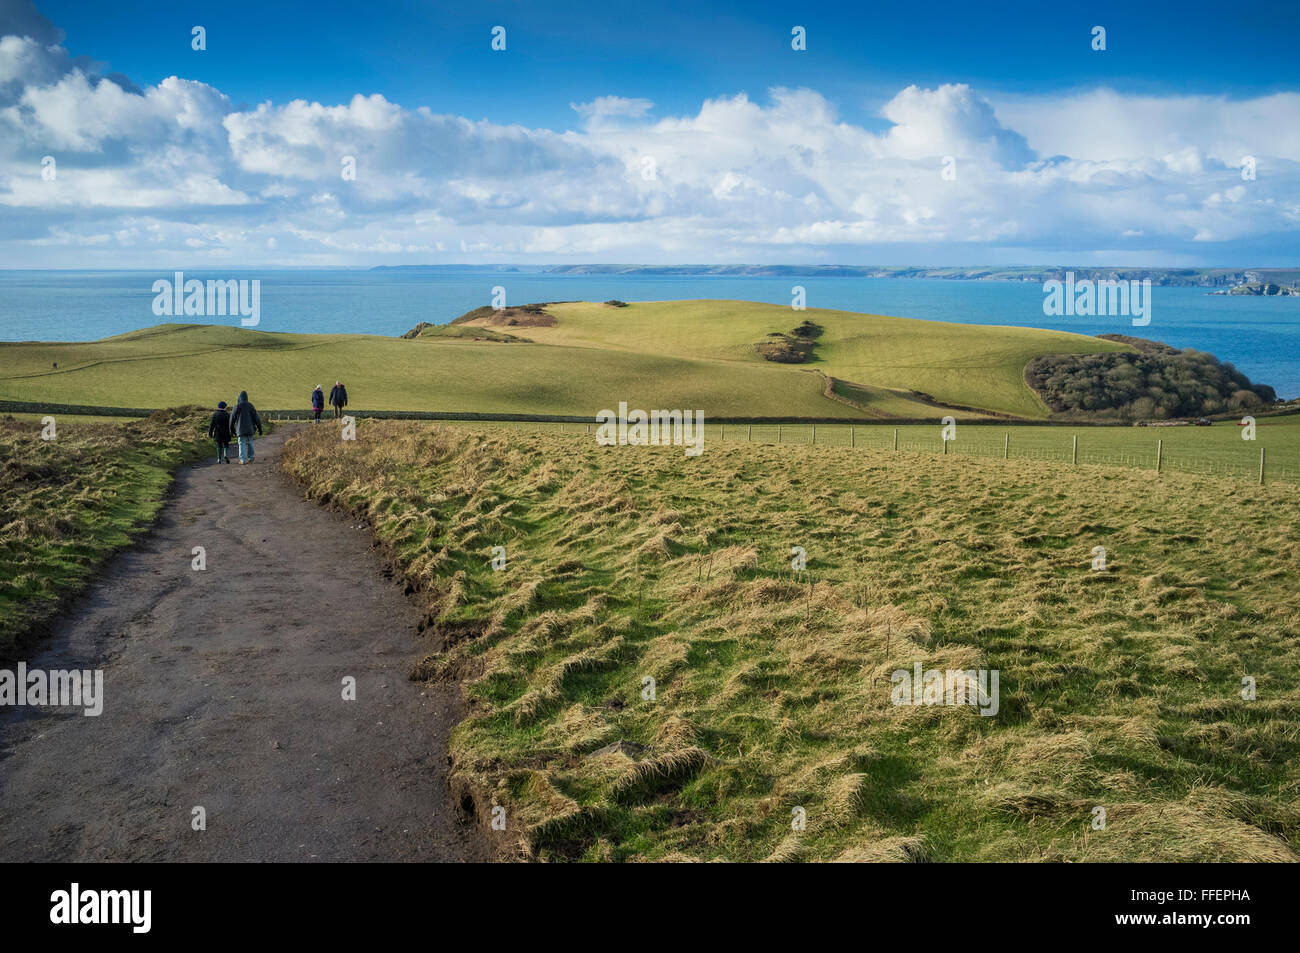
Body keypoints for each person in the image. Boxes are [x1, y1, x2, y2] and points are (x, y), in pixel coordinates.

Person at [229, 390, 263, 464]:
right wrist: (260, 429)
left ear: (239, 398)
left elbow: (232, 419)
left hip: (240, 430)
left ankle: (243, 459)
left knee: (242, 443)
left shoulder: (237, 406)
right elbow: (256, 418)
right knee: (250, 442)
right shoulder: (250, 405)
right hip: (250, 429)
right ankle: (251, 457)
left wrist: (231, 430)